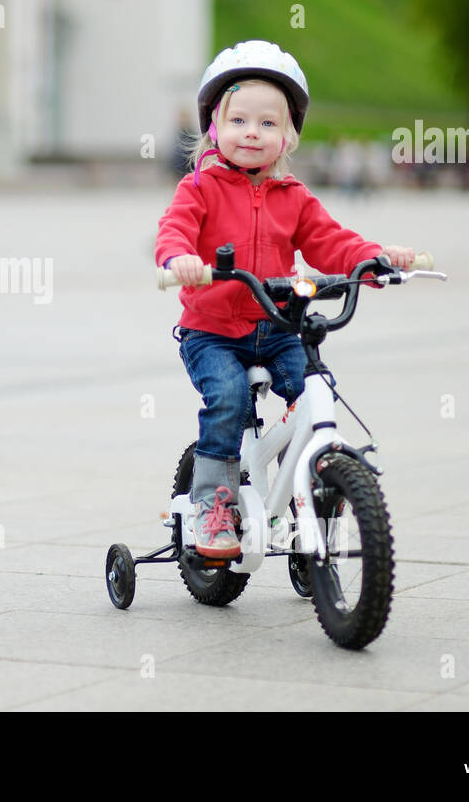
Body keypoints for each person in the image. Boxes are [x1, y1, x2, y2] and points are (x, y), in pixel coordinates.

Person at [155, 40, 415, 558]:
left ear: (288, 136)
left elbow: (329, 240)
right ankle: (213, 504)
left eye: (268, 124)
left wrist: (373, 258)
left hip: (276, 328)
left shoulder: (293, 196)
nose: (253, 132)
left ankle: (311, 501)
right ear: (215, 128)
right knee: (227, 401)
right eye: (240, 121)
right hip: (213, 333)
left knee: (315, 391)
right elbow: (174, 230)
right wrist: (178, 259)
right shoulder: (200, 187)